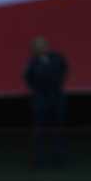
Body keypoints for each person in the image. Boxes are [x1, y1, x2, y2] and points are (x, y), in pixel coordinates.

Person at [24, 36, 69, 168]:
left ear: (47, 46)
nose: (39, 48)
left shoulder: (57, 58)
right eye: (36, 46)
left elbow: (64, 70)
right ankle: (38, 160)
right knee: (39, 131)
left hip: (57, 99)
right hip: (40, 100)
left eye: (41, 45)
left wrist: (57, 85)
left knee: (58, 130)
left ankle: (59, 159)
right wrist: (37, 91)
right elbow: (28, 78)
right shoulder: (31, 63)